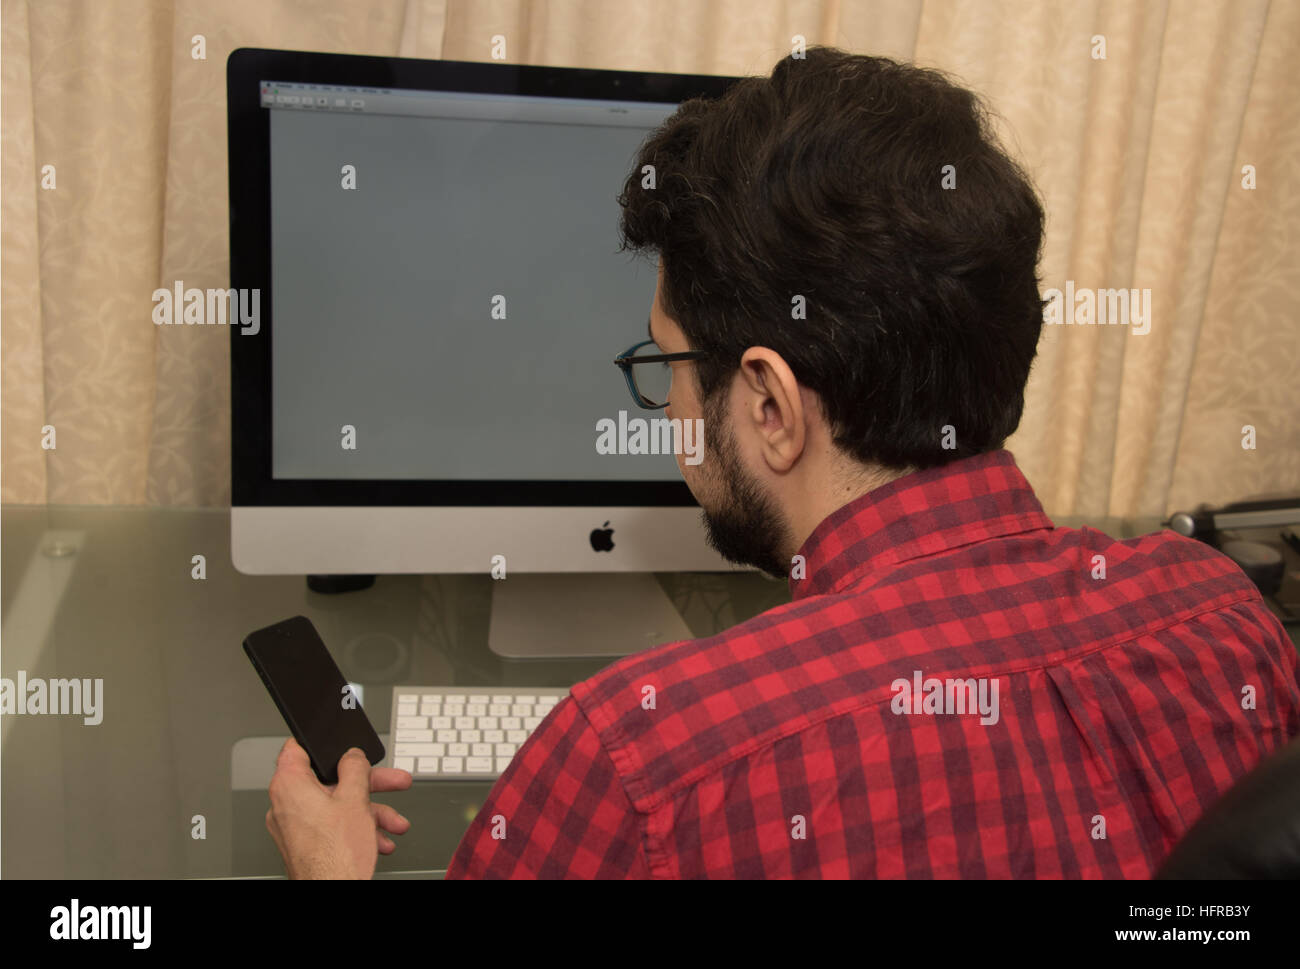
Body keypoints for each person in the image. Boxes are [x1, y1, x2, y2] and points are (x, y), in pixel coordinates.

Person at [265, 46, 1300, 879]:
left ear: (766, 405)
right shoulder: (1222, 619)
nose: (664, 400)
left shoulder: (635, 762)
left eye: (666, 362)